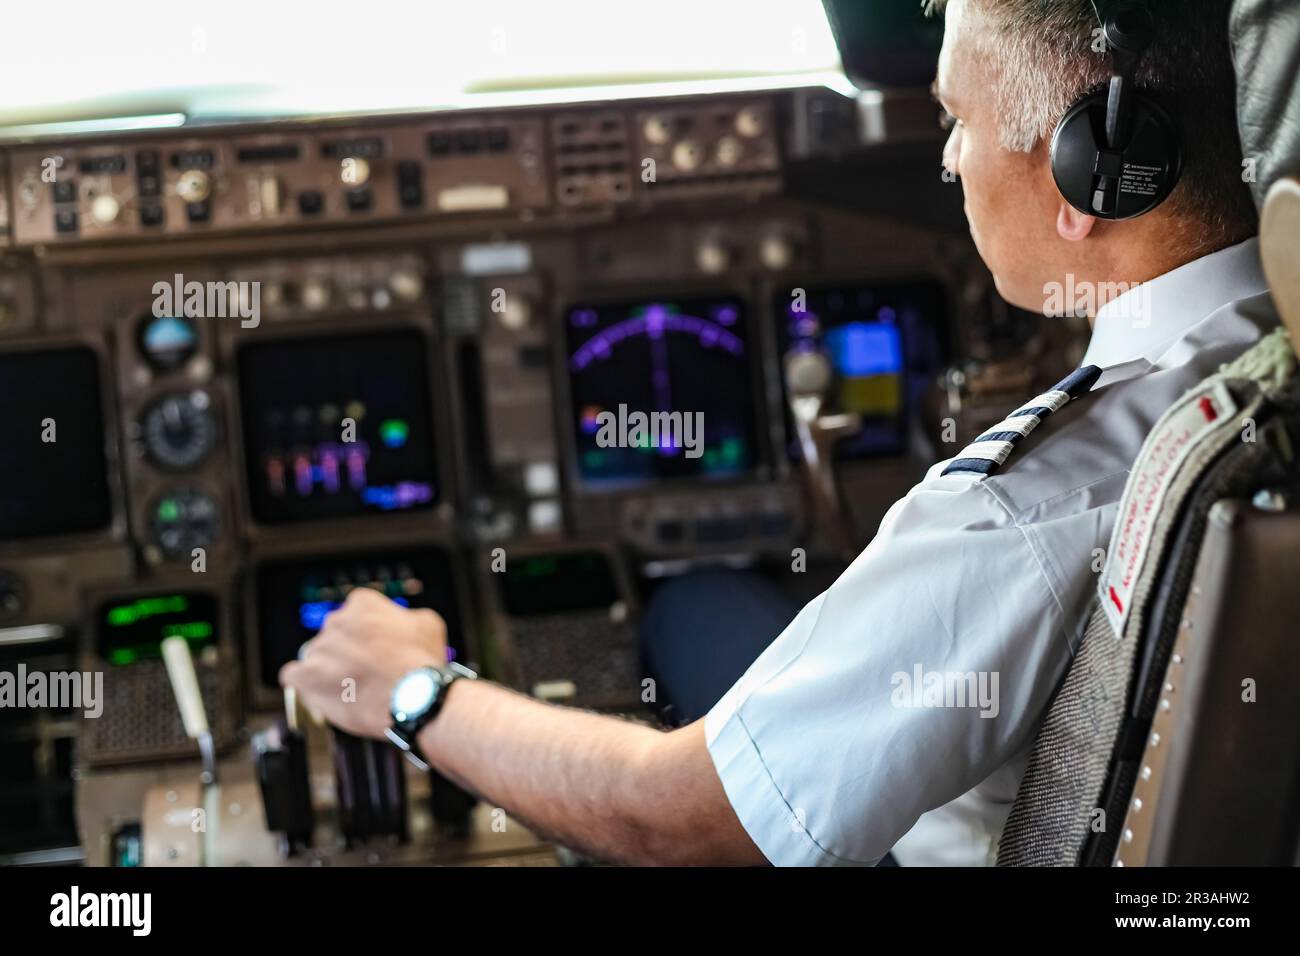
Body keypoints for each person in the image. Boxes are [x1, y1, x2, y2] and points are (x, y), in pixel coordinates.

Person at [279, 0, 1274, 866]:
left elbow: (673, 821)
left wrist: (414, 690)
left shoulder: (1019, 510)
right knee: (709, 602)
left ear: (1087, 168)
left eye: (955, 119)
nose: (944, 158)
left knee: (685, 606)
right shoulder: (1271, 353)